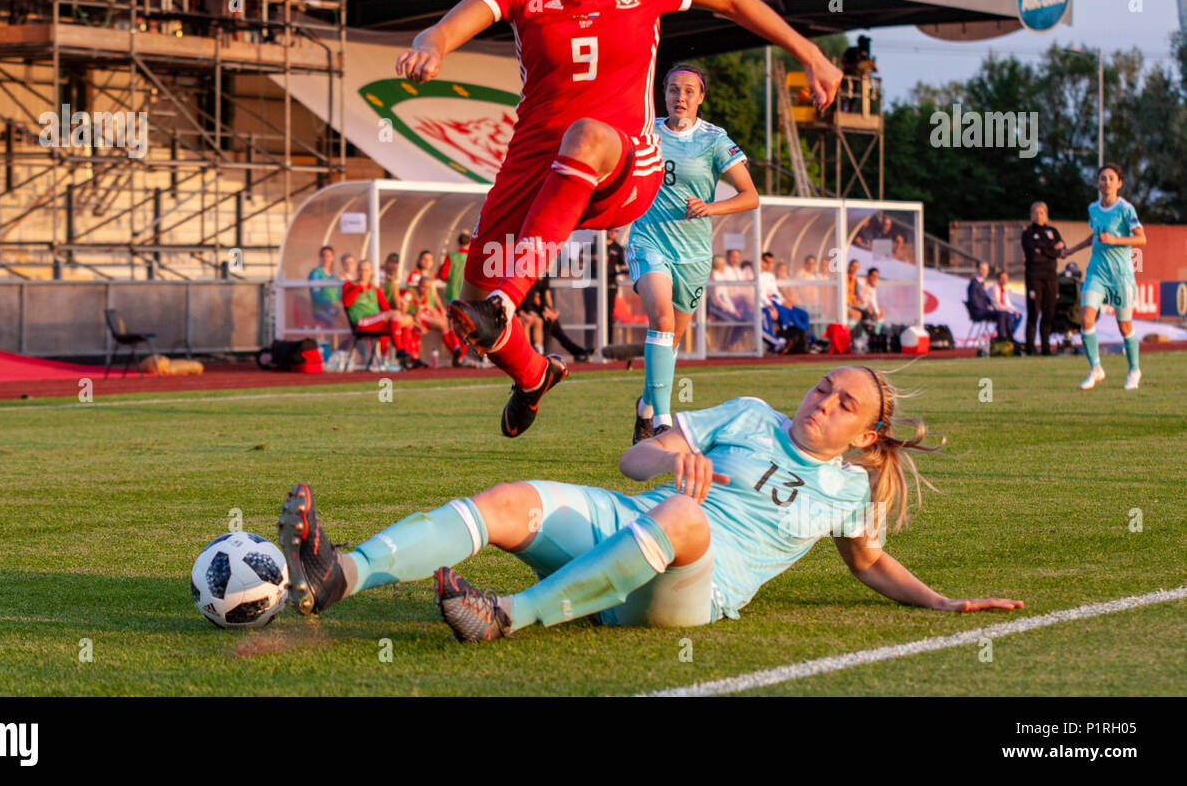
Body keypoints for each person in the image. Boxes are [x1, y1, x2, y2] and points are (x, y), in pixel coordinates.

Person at [396, 0, 842, 437]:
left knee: (585, 138)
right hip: (536, 166)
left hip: (627, 164)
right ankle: (532, 374)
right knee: (468, 318)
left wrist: (809, 53)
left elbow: (734, 0)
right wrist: (431, 43)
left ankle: (514, 301)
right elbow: (452, 25)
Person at [276, 365, 1022, 638]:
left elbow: (870, 563)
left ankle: (511, 615)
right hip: (631, 524)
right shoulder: (749, 413)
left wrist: (944, 604)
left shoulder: (851, 490)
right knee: (508, 500)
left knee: (686, 516)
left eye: (844, 403)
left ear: (864, 436)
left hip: (688, 590)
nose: (823, 400)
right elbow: (637, 460)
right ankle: (339, 574)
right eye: (824, 386)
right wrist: (677, 452)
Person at [624, 63, 759, 442]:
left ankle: (646, 407)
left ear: (701, 97)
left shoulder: (715, 139)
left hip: (695, 255)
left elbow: (751, 196)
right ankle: (664, 422)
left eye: (687, 91)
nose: (679, 97)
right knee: (661, 321)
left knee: (671, 340)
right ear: (663, 93)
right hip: (649, 241)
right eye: (672, 90)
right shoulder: (645, 133)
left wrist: (710, 206)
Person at [1061, 163, 1147, 390]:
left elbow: (1141, 239)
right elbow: (1095, 236)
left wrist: (1115, 240)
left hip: (1121, 275)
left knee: (1124, 326)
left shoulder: (1126, 209)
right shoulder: (1093, 209)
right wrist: (1072, 250)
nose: (1106, 182)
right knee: (1086, 319)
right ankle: (1096, 368)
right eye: (1102, 178)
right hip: (1097, 272)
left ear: (1119, 183)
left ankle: (1134, 371)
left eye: (1111, 178)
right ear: (1097, 183)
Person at [342, 259, 422, 370]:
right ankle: (399, 351)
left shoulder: (375, 289)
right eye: (361, 270)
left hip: (375, 323)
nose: (363, 273)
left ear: (371, 272)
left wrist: (400, 315)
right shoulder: (350, 285)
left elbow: (386, 308)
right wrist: (359, 287)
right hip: (361, 323)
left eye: (366, 270)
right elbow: (346, 302)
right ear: (358, 271)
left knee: (406, 319)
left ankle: (406, 355)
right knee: (395, 315)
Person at [1021, 201, 1066, 356]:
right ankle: (1030, 347)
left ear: (1046, 215)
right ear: (1031, 215)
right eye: (1035, 212)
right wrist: (1052, 249)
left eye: (1041, 213)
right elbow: (1033, 255)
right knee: (1034, 311)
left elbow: (1062, 250)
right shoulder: (1027, 234)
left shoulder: (1053, 231)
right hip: (1034, 277)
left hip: (1051, 277)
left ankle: (1046, 347)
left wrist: (1044, 249)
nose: (1038, 215)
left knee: (1049, 312)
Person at [966, 262, 1013, 341]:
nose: (986, 272)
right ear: (978, 270)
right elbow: (974, 301)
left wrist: (989, 305)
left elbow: (985, 299)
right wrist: (987, 307)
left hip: (984, 310)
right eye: (983, 270)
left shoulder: (980, 283)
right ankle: (1002, 338)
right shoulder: (974, 284)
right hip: (979, 312)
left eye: (987, 270)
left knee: (1006, 314)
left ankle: (1010, 338)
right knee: (1001, 314)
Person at [306, 245, 342, 326]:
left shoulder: (335, 275)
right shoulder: (316, 274)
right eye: (323, 256)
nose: (326, 258)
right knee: (339, 322)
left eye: (328, 256)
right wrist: (332, 303)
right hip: (321, 311)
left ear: (333, 258)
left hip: (335, 309)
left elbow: (339, 294)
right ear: (320, 258)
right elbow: (316, 297)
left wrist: (340, 304)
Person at [438, 232, 472, 305]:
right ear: (470, 243)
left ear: (458, 243)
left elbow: (443, 275)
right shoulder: (471, 257)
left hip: (452, 292)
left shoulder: (451, 256)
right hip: (468, 293)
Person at [987, 270, 1022, 339]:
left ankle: (1009, 336)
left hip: (1004, 310)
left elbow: (1008, 304)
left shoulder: (1003, 289)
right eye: (1002, 278)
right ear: (998, 279)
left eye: (1006, 278)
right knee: (1011, 316)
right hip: (996, 311)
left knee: (1018, 316)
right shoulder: (994, 289)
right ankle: (1006, 337)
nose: (1005, 280)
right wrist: (1009, 311)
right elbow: (997, 305)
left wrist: (1015, 310)